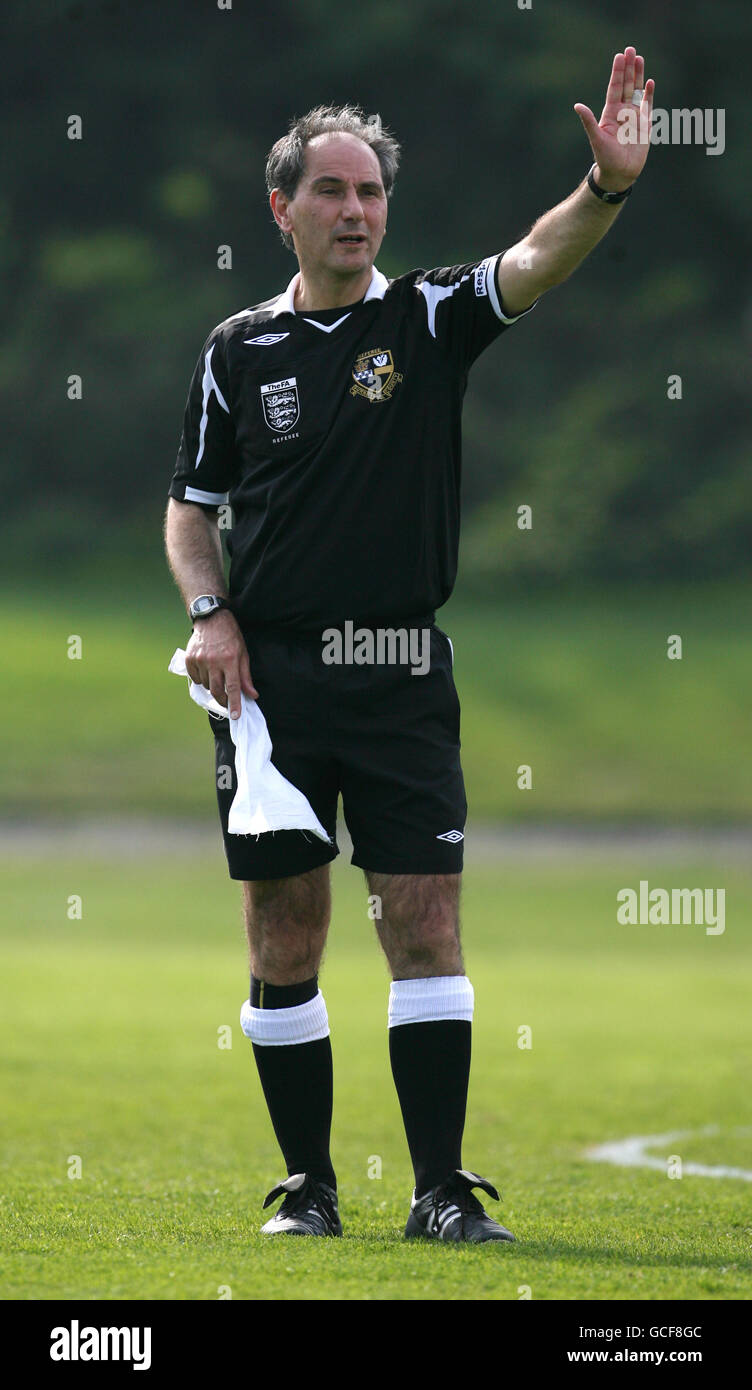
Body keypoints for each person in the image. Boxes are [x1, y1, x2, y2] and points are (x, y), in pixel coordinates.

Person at [164, 49, 654, 1242]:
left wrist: (605, 190)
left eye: (370, 191)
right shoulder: (237, 351)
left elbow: (532, 263)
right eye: (329, 190)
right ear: (280, 209)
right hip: (269, 687)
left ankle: (439, 1192)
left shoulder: (426, 315)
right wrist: (208, 613)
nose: (353, 209)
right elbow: (190, 507)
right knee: (286, 931)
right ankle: (309, 1189)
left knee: (422, 921)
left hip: (399, 672)